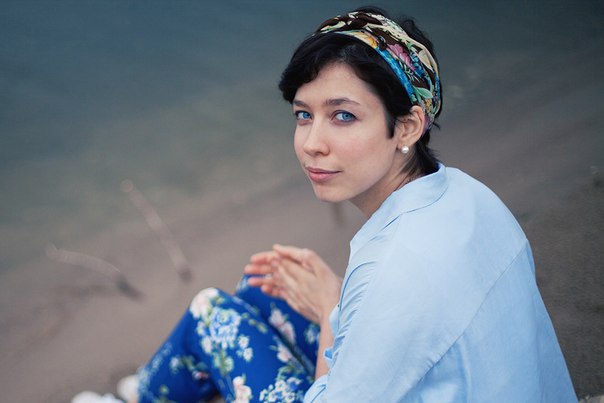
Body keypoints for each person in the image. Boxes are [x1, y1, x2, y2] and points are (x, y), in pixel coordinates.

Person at [74, 6, 577, 403]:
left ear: (407, 126)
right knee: (265, 293)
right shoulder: (471, 195)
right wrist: (334, 307)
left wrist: (333, 309)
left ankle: (146, 394)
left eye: (343, 116)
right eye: (303, 115)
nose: (312, 143)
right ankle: (146, 391)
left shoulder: (392, 269)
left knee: (213, 314)